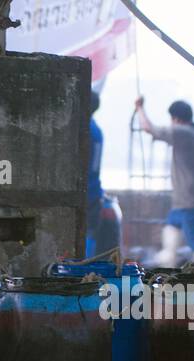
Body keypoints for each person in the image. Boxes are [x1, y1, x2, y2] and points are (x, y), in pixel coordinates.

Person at [135, 95, 194, 265]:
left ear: (176, 119)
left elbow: (148, 128)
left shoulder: (182, 132)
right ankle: (169, 258)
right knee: (172, 225)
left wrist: (139, 108)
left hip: (190, 198)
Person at [84, 90, 105, 256]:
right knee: (90, 233)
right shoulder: (96, 129)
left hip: (84, 191)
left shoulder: (83, 130)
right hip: (94, 190)